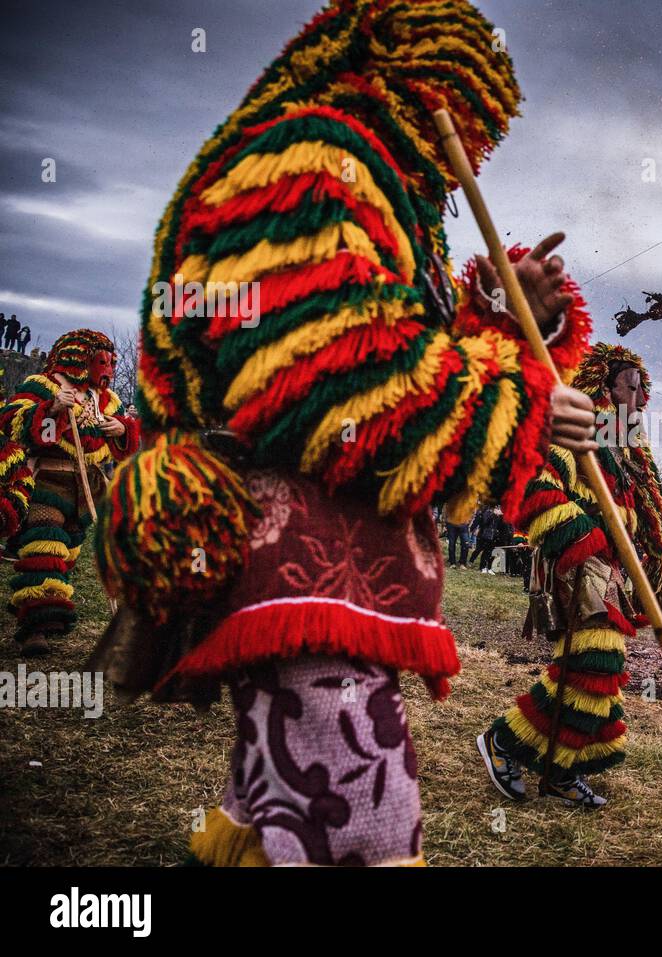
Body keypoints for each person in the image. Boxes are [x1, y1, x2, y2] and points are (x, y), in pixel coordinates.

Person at [91, 0, 597, 868]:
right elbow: (342, 387)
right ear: (411, 81)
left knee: (270, 822)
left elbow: (403, 338)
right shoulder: (315, 160)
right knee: (359, 829)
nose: (465, 152)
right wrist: (520, 395)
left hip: (332, 569)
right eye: (459, 116)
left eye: (479, 134)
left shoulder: (388, 189)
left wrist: (505, 315)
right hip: (292, 561)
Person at [477, 343, 662, 809]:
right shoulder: (576, 434)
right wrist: (585, 540)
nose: (643, 398)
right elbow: (533, 486)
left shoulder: (625, 452)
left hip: (607, 571)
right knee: (593, 663)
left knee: (598, 669)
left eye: (645, 387)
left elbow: (633, 516)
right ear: (605, 388)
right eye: (632, 386)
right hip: (577, 566)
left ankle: (561, 770)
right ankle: (504, 741)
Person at [0, 330, 139, 655]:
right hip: (47, 481)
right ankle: (36, 625)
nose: (105, 367)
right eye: (98, 360)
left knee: (67, 552)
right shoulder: (42, 385)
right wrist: (50, 409)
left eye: (109, 361)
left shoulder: (106, 399)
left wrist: (122, 428)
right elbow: (12, 422)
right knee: (43, 545)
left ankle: (47, 611)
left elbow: (120, 441)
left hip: (86, 486)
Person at [470, 504, 506, 573]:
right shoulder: (487, 511)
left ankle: (488, 567)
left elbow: (501, 525)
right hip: (484, 535)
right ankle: (480, 565)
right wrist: (493, 515)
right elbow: (485, 522)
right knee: (480, 549)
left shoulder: (500, 512)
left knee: (489, 552)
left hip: (494, 536)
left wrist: (501, 516)